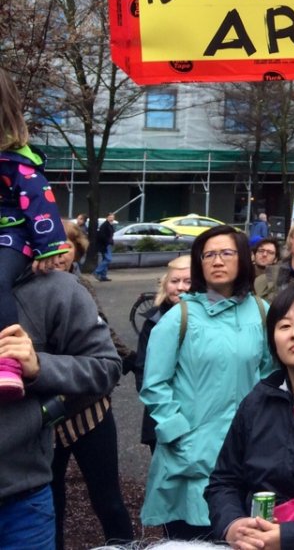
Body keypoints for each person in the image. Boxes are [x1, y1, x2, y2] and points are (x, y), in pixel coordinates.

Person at [140, 225, 275, 540]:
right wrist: (180, 437)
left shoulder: (261, 312)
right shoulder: (180, 316)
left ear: (242, 259)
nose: (217, 260)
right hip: (190, 460)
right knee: (192, 539)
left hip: (247, 454)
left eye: (226, 253)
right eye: (208, 255)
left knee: (246, 538)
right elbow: (154, 384)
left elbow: (271, 376)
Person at [0, 223, 121, 548]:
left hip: (21, 497)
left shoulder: (57, 289)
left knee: (107, 501)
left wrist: (39, 367)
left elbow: (107, 365)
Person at [206, 283, 294, 550]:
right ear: (273, 341)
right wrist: (232, 525)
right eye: (284, 326)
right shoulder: (257, 401)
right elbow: (223, 480)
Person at [45, 220, 134, 550]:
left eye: (65, 246)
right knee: (50, 498)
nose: (58, 254)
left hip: (89, 410)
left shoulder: (79, 286)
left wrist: (128, 358)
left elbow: (104, 335)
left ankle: (123, 545)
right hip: (46, 414)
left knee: (107, 498)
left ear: (76, 250)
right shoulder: (22, 287)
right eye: (52, 246)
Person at [0, 68, 70, 397]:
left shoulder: (15, 161)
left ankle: (8, 363)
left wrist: (49, 246)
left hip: (10, 236)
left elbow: (39, 201)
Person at [133, 256, 192, 451]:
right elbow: (143, 371)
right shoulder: (153, 322)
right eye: (175, 281)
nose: (180, 287)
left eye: (188, 281)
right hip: (162, 416)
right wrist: (165, 413)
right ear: (166, 284)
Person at [93, 213, 116, 282]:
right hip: (105, 245)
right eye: (110, 217)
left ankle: (103, 276)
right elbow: (102, 236)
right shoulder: (105, 225)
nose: (111, 218)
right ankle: (97, 271)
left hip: (107, 244)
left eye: (113, 217)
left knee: (105, 259)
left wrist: (111, 242)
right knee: (108, 259)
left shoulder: (110, 225)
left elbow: (110, 235)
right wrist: (108, 242)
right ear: (107, 217)